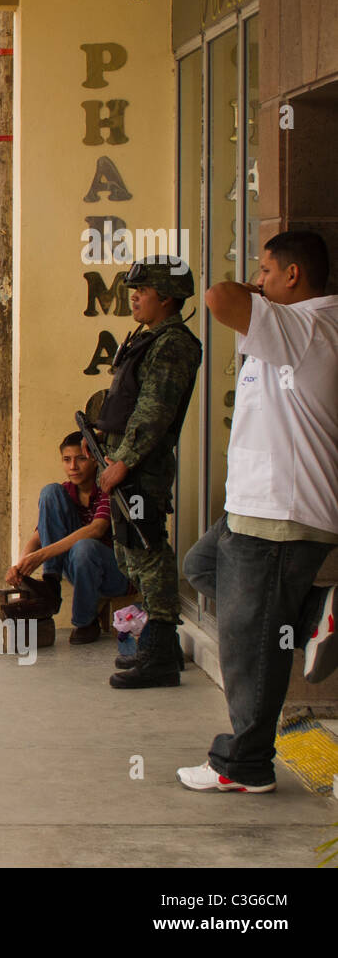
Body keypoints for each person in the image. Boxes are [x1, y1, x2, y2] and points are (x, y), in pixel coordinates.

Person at [177, 231, 337, 793]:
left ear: (293, 276)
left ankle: (243, 765)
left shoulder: (307, 324)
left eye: (265, 271)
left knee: (250, 645)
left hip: (278, 511)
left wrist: (252, 294)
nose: (258, 280)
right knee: (200, 568)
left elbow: (220, 297)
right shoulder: (296, 326)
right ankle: (316, 612)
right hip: (256, 507)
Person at [95, 258, 202, 689]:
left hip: (142, 466)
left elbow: (154, 411)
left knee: (148, 550)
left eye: (144, 290)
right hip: (127, 460)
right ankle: (163, 649)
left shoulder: (173, 343)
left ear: (168, 298)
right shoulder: (149, 338)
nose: (134, 296)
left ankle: (159, 652)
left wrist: (124, 460)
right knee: (130, 550)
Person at [5, 432, 132, 643]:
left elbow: (97, 529)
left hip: (114, 572)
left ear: (93, 460)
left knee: (85, 547)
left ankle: (85, 623)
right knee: (50, 491)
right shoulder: (64, 493)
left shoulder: (108, 489)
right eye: (67, 459)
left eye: (81, 458)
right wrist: (19, 566)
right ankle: (52, 583)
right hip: (77, 567)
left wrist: (41, 556)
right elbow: (39, 537)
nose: (73, 466)